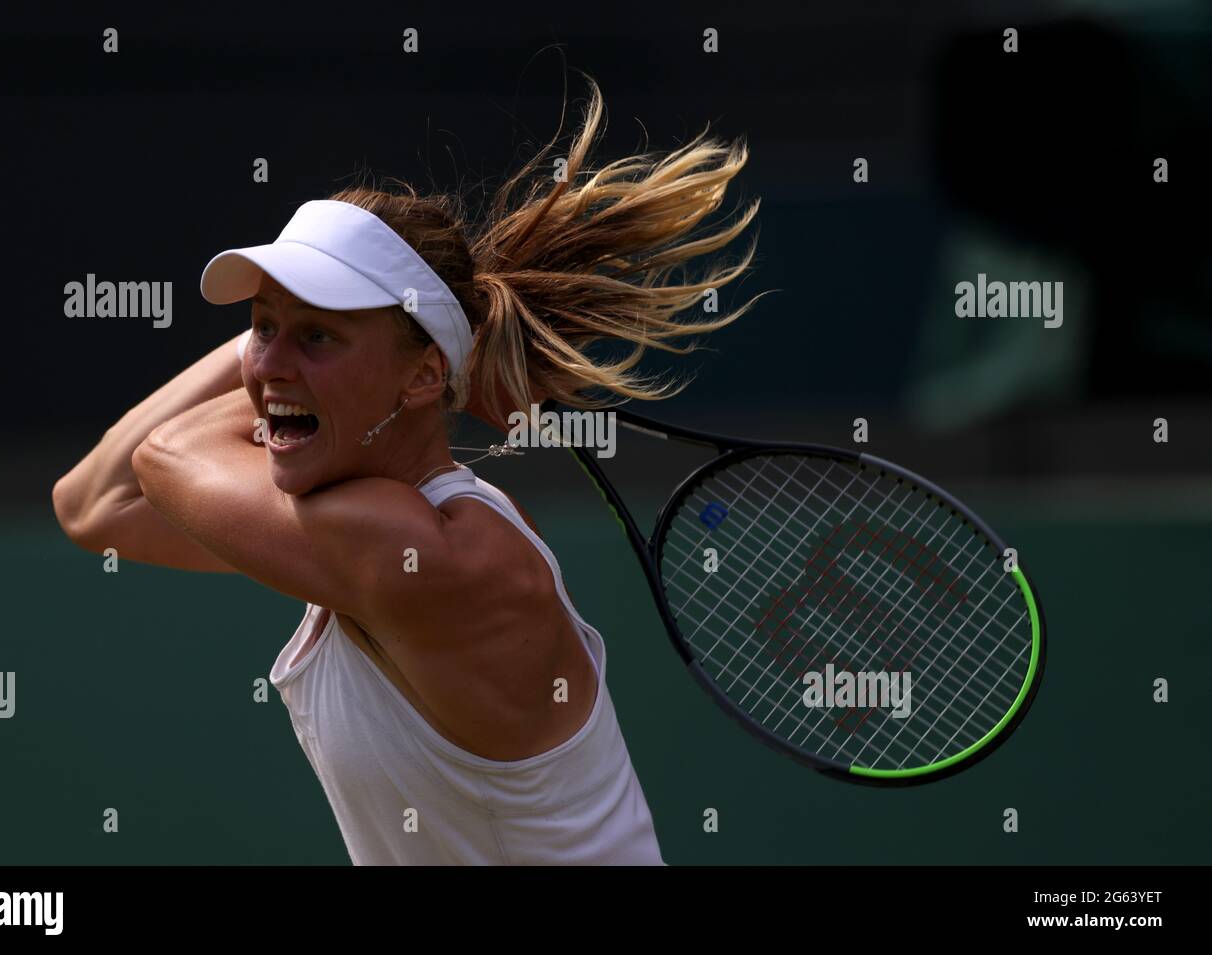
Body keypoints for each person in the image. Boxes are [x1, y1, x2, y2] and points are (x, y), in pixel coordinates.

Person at [52, 79, 762, 865]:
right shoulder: (355, 525)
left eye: (321, 336)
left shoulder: (434, 558)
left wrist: (310, 358)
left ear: (422, 378)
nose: (270, 362)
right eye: (260, 327)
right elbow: (94, 503)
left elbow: (160, 455)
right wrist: (307, 340)